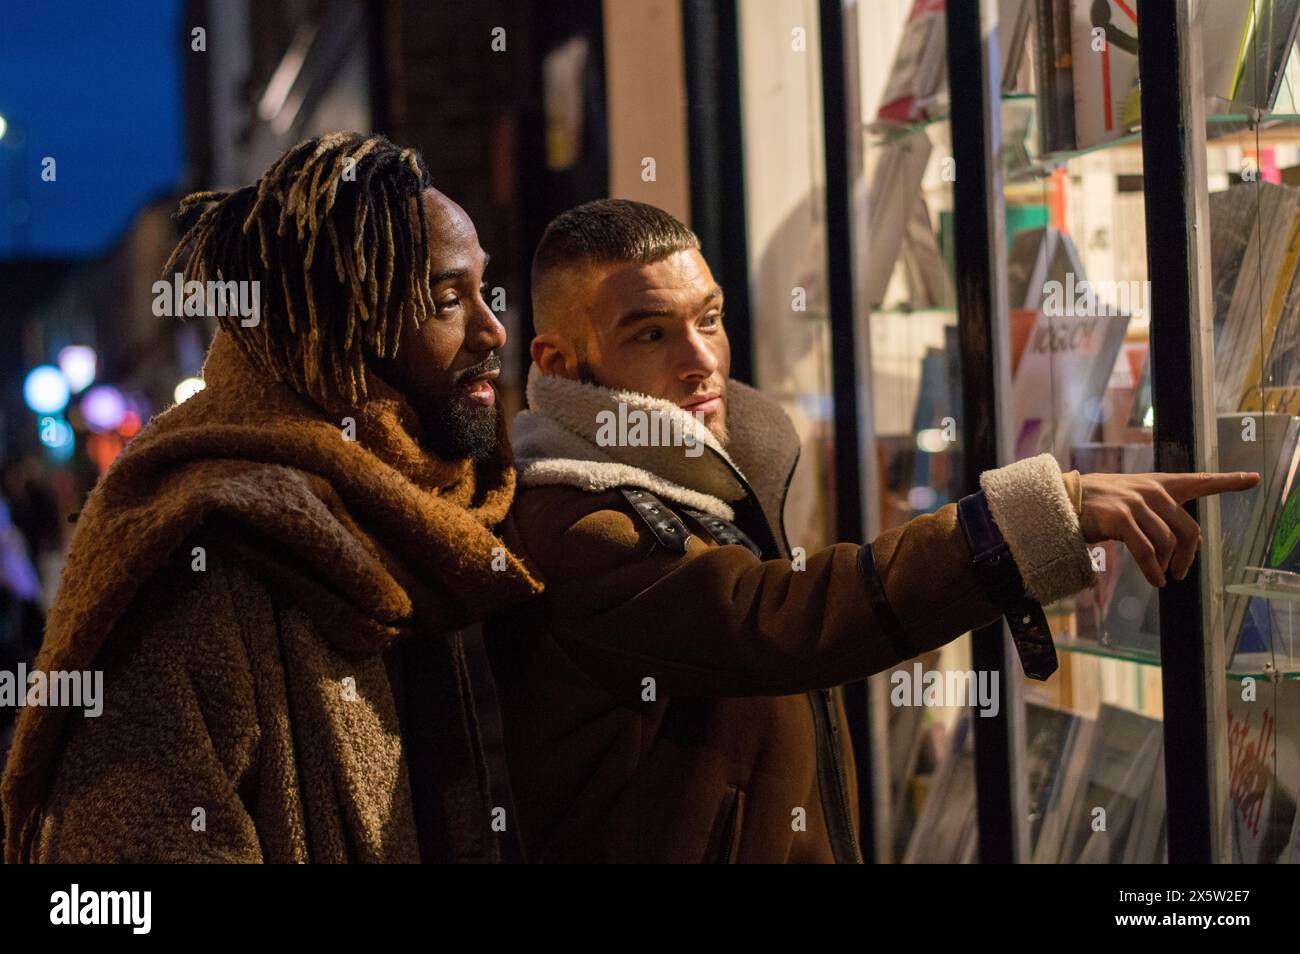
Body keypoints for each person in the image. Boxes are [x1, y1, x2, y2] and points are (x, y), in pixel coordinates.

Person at [484, 198, 1258, 863]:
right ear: (561, 362)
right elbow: (775, 620)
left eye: (709, 321)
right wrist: (1027, 519)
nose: (701, 362)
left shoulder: (691, 483)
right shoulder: (577, 522)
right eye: (649, 334)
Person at [1, 132, 539, 862]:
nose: (493, 328)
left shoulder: (461, 528)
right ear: (342, 328)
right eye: (448, 298)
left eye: (484, 288)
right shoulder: (206, 560)